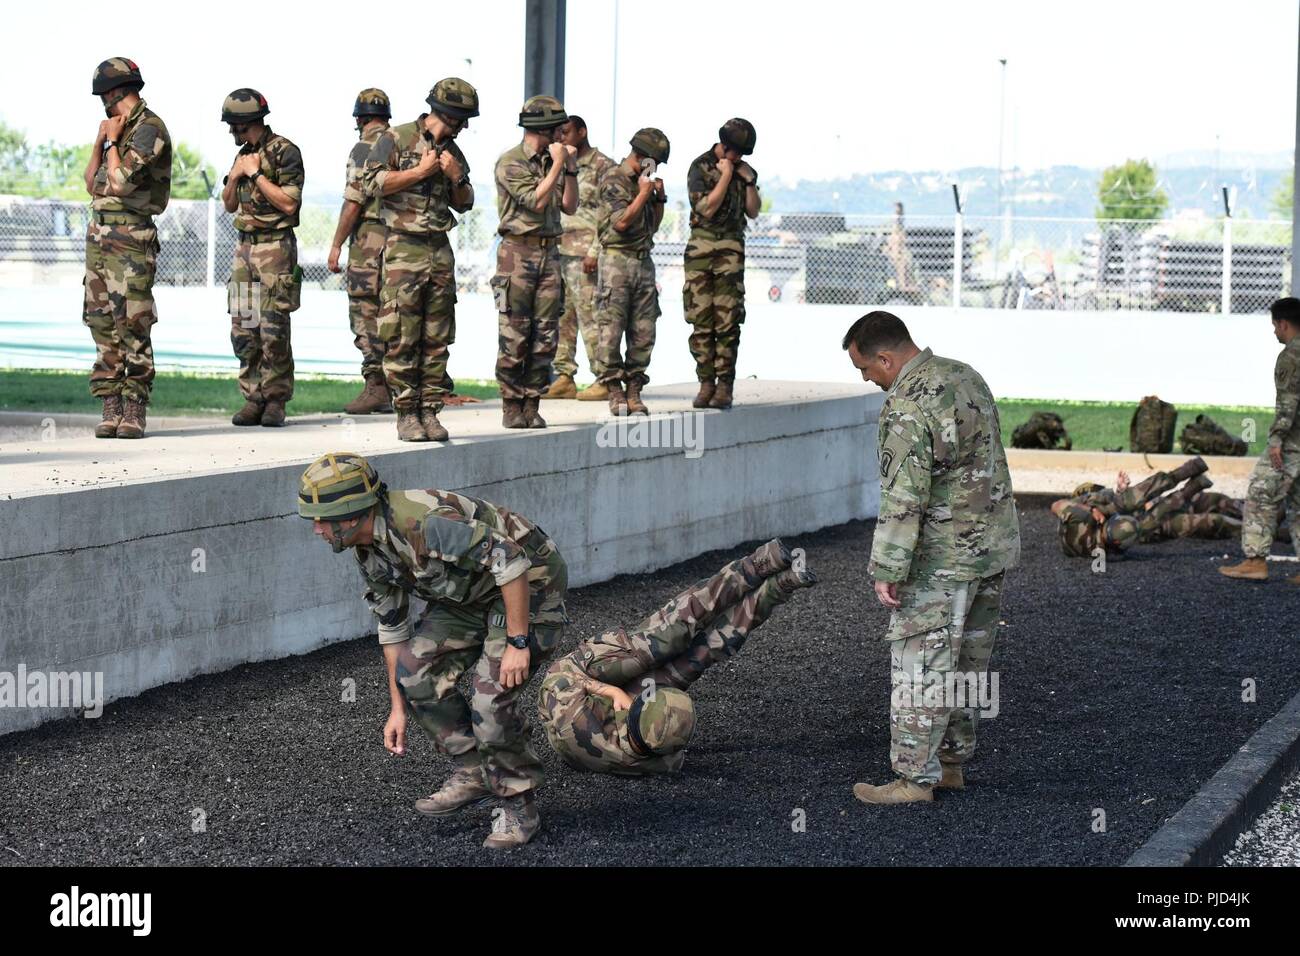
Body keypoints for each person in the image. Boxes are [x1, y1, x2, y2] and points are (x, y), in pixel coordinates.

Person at [296, 452, 567, 849]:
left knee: (490, 698)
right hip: (468, 597)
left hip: (530, 585)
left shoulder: (424, 522)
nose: (317, 529)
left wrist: (517, 642)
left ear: (351, 514)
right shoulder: (370, 550)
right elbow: (392, 628)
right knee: (414, 673)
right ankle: (474, 771)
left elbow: (509, 560)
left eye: (322, 520)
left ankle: (517, 807)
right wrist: (398, 707)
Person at [842, 311, 1020, 805]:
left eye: (865, 369)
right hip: (990, 550)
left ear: (886, 357)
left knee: (920, 667)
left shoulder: (907, 404)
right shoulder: (966, 376)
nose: (868, 379)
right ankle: (950, 765)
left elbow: (904, 495)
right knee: (967, 665)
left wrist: (888, 568)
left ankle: (912, 780)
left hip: (940, 561)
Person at [537, 539, 815, 774]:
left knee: (670, 635)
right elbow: (673, 755)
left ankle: (758, 564)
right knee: (702, 655)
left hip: (584, 673)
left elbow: (558, 675)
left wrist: (611, 692)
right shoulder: (661, 759)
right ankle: (779, 587)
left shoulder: (573, 717)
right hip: (623, 717)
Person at [362, 77, 478, 442]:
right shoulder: (395, 138)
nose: (465, 125)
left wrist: (457, 178)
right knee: (401, 334)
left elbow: (466, 201)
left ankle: (430, 410)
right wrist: (419, 172)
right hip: (403, 249)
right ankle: (406, 412)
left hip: (438, 249)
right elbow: (372, 184)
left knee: (436, 336)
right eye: (462, 118)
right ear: (445, 113)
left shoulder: (453, 152)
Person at [82, 57, 171, 440]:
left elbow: (119, 183)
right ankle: (110, 402)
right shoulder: (114, 129)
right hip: (99, 236)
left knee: (132, 322)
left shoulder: (149, 128)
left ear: (116, 92)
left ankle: (134, 406)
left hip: (131, 239)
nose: (103, 102)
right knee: (101, 321)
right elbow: (91, 182)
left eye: (104, 95)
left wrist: (114, 141)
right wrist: (101, 141)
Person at [491, 95, 578, 428]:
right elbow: (535, 201)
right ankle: (512, 405)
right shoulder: (511, 161)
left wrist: (568, 168)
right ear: (544, 128)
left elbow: (570, 206)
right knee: (514, 332)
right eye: (558, 129)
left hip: (548, 253)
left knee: (546, 334)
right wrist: (558, 164)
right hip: (517, 254)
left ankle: (532, 402)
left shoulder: (550, 160)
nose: (562, 136)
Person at [220, 88, 304, 428]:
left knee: (273, 329)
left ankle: (275, 400)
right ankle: (252, 397)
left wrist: (256, 174)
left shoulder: (286, 152)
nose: (230, 132)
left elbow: (289, 204)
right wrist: (238, 175)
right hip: (245, 248)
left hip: (275, 248)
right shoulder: (242, 155)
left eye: (233, 125)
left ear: (246, 122)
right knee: (243, 327)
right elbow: (228, 204)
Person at [1220, 296, 1300, 583]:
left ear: (1284, 324)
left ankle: (1255, 561)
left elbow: (1288, 404)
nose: (1274, 332)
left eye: (1275, 326)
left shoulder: (1291, 356)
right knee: (1298, 502)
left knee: (1260, 493)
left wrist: (1276, 439)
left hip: (1292, 443)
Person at [683, 118, 761, 410]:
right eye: (736, 152)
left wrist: (749, 180)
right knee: (701, 320)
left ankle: (725, 385)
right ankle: (706, 383)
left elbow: (753, 211)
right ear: (724, 146)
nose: (738, 158)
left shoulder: (744, 171)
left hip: (731, 248)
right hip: (701, 248)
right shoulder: (700, 166)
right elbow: (705, 208)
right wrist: (726, 176)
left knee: (728, 321)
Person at [590, 128, 670, 416]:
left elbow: (652, 226)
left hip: (642, 262)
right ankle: (614, 389)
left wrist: (657, 199)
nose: (655, 168)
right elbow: (621, 223)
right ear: (641, 156)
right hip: (616, 263)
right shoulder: (614, 178)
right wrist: (643, 194)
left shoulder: (643, 182)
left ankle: (634, 388)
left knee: (644, 331)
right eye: (653, 162)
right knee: (610, 330)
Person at [328, 88, 393, 416]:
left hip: (369, 239)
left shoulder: (363, 147)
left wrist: (337, 243)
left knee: (366, 312)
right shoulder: (401, 142)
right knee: (395, 312)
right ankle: (401, 385)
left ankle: (376, 387)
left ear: (359, 119)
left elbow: (354, 200)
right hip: (401, 240)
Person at [544, 115, 615, 402]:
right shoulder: (559, 162)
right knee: (562, 317)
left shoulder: (603, 166)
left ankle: (603, 378)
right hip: (558, 249)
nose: (561, 137)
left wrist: (595, 251)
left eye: (566, 132)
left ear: (582, 132)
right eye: (558, 133)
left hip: (585, 253)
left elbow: (609, 213)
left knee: (592, 317)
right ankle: (564, 377)